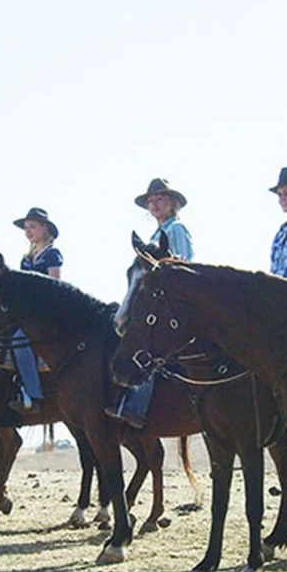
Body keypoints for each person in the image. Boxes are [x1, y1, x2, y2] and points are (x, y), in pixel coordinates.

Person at [108, 179, 193, 428]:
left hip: (172, 300)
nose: (154, 204)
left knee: (148, 344)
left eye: (160, 199)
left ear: (173, 203)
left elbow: (182, 263)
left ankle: (138, 406)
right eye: (151, 201)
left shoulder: (176, 229)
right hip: (159, 298)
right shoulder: (155, 235)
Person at [9, 207, 63, 413]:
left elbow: (54, 282)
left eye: (32, 226)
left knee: (19, 341)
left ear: (45, 228)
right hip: (26, 312)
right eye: (26, 228)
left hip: (45, 310)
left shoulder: (51, 253)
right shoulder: (26, 258)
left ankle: (33, 394)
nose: (28, 231)